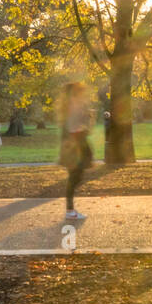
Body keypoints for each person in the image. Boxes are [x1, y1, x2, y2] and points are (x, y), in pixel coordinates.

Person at [57, 81, 94, 220]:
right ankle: (70, 211)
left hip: (71, 145)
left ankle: (70, 210)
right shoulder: (74, 104)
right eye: (81, 91)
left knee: (75, 177)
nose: (83, 94)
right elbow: (77, 127)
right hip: (74, 146)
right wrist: (86, 117)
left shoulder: (69, 104)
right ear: (75, 92)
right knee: (75, 177)